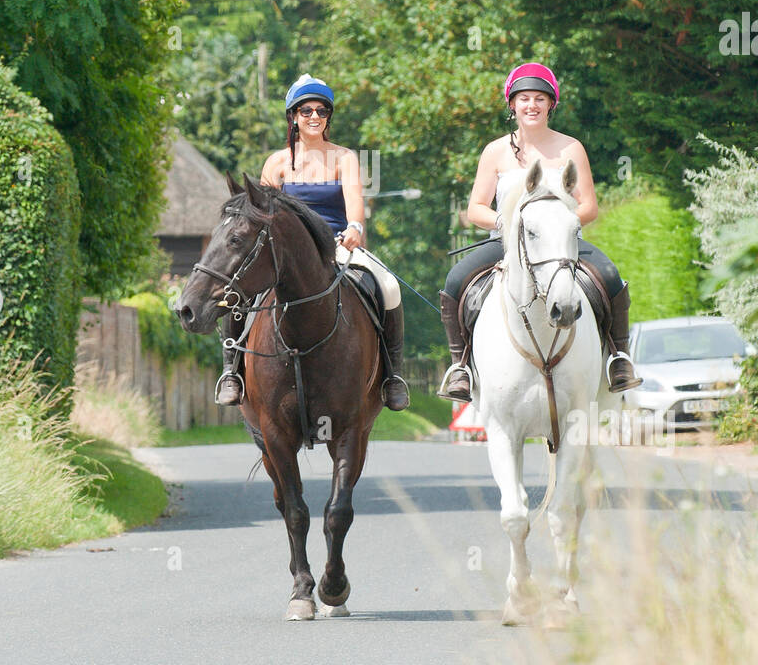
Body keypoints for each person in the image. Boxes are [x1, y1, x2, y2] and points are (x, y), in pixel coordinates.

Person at [438, 61, 643, 401]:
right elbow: (475, 209)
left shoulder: (571, 148)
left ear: (551, 104)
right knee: (456, 281)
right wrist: (506, 223)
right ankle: (460, 366)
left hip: (561, 245)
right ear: (512, 105)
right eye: (524, 99)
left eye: (539, 98)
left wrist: (559, 224)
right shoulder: (495, 151)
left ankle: (619, 359)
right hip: (507, 243)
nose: (531, 105)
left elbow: (589, 205)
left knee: (609, 275)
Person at [215, 73, 410, 411]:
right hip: (287, 253)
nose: (315, 117)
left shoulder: (345, 158)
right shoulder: (276, 163)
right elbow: (261, 214)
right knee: (240, 291)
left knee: (389, 286)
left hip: (335, 245)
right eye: (306, 111)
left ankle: (392, 376)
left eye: (321, 111)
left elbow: (355, 209)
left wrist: (354, 229)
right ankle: (232, 370)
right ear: (293, 116)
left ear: (328, 116)